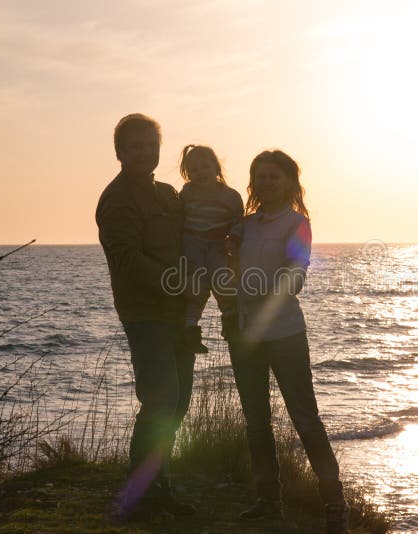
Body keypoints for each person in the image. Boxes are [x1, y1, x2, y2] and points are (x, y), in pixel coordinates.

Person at [228, 150, 350, 534]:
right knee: (256, 422)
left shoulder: (298, 223)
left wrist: (250, 288)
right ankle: (268, 501)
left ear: (290, 183)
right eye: (259, 177)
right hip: (246, 335)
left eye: (273, 177)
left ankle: (335, 504)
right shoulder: (244, 225)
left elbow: (296, 275)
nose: (265, 183)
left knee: (305, 419)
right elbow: (225, 268)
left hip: (285, 334)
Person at [96, 113, 196, 518]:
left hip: (181, 313)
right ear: (120, 153)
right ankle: (141, 492)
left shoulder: (169, 193)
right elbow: (126, 260)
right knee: (161, 399)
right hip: (147, 313)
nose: (143, 153)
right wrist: (177, 283)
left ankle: (157, 484)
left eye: (149, 145)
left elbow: (195, 237)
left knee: (179, 401)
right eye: (134, 147)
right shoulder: (117, 199)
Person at [177, 144, 243, 352]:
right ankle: (190, 330)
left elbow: (238, 221)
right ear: (188, 174)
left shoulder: (230, 196)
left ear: (216, 167)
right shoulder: (186, 193)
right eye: (194, 170)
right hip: (192, 242)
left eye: (205, 167)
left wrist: (233, 239)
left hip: (217, 244)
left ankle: (231, 322)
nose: (200, 173)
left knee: (224, 282)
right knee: (196, 287)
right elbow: (178, 220)